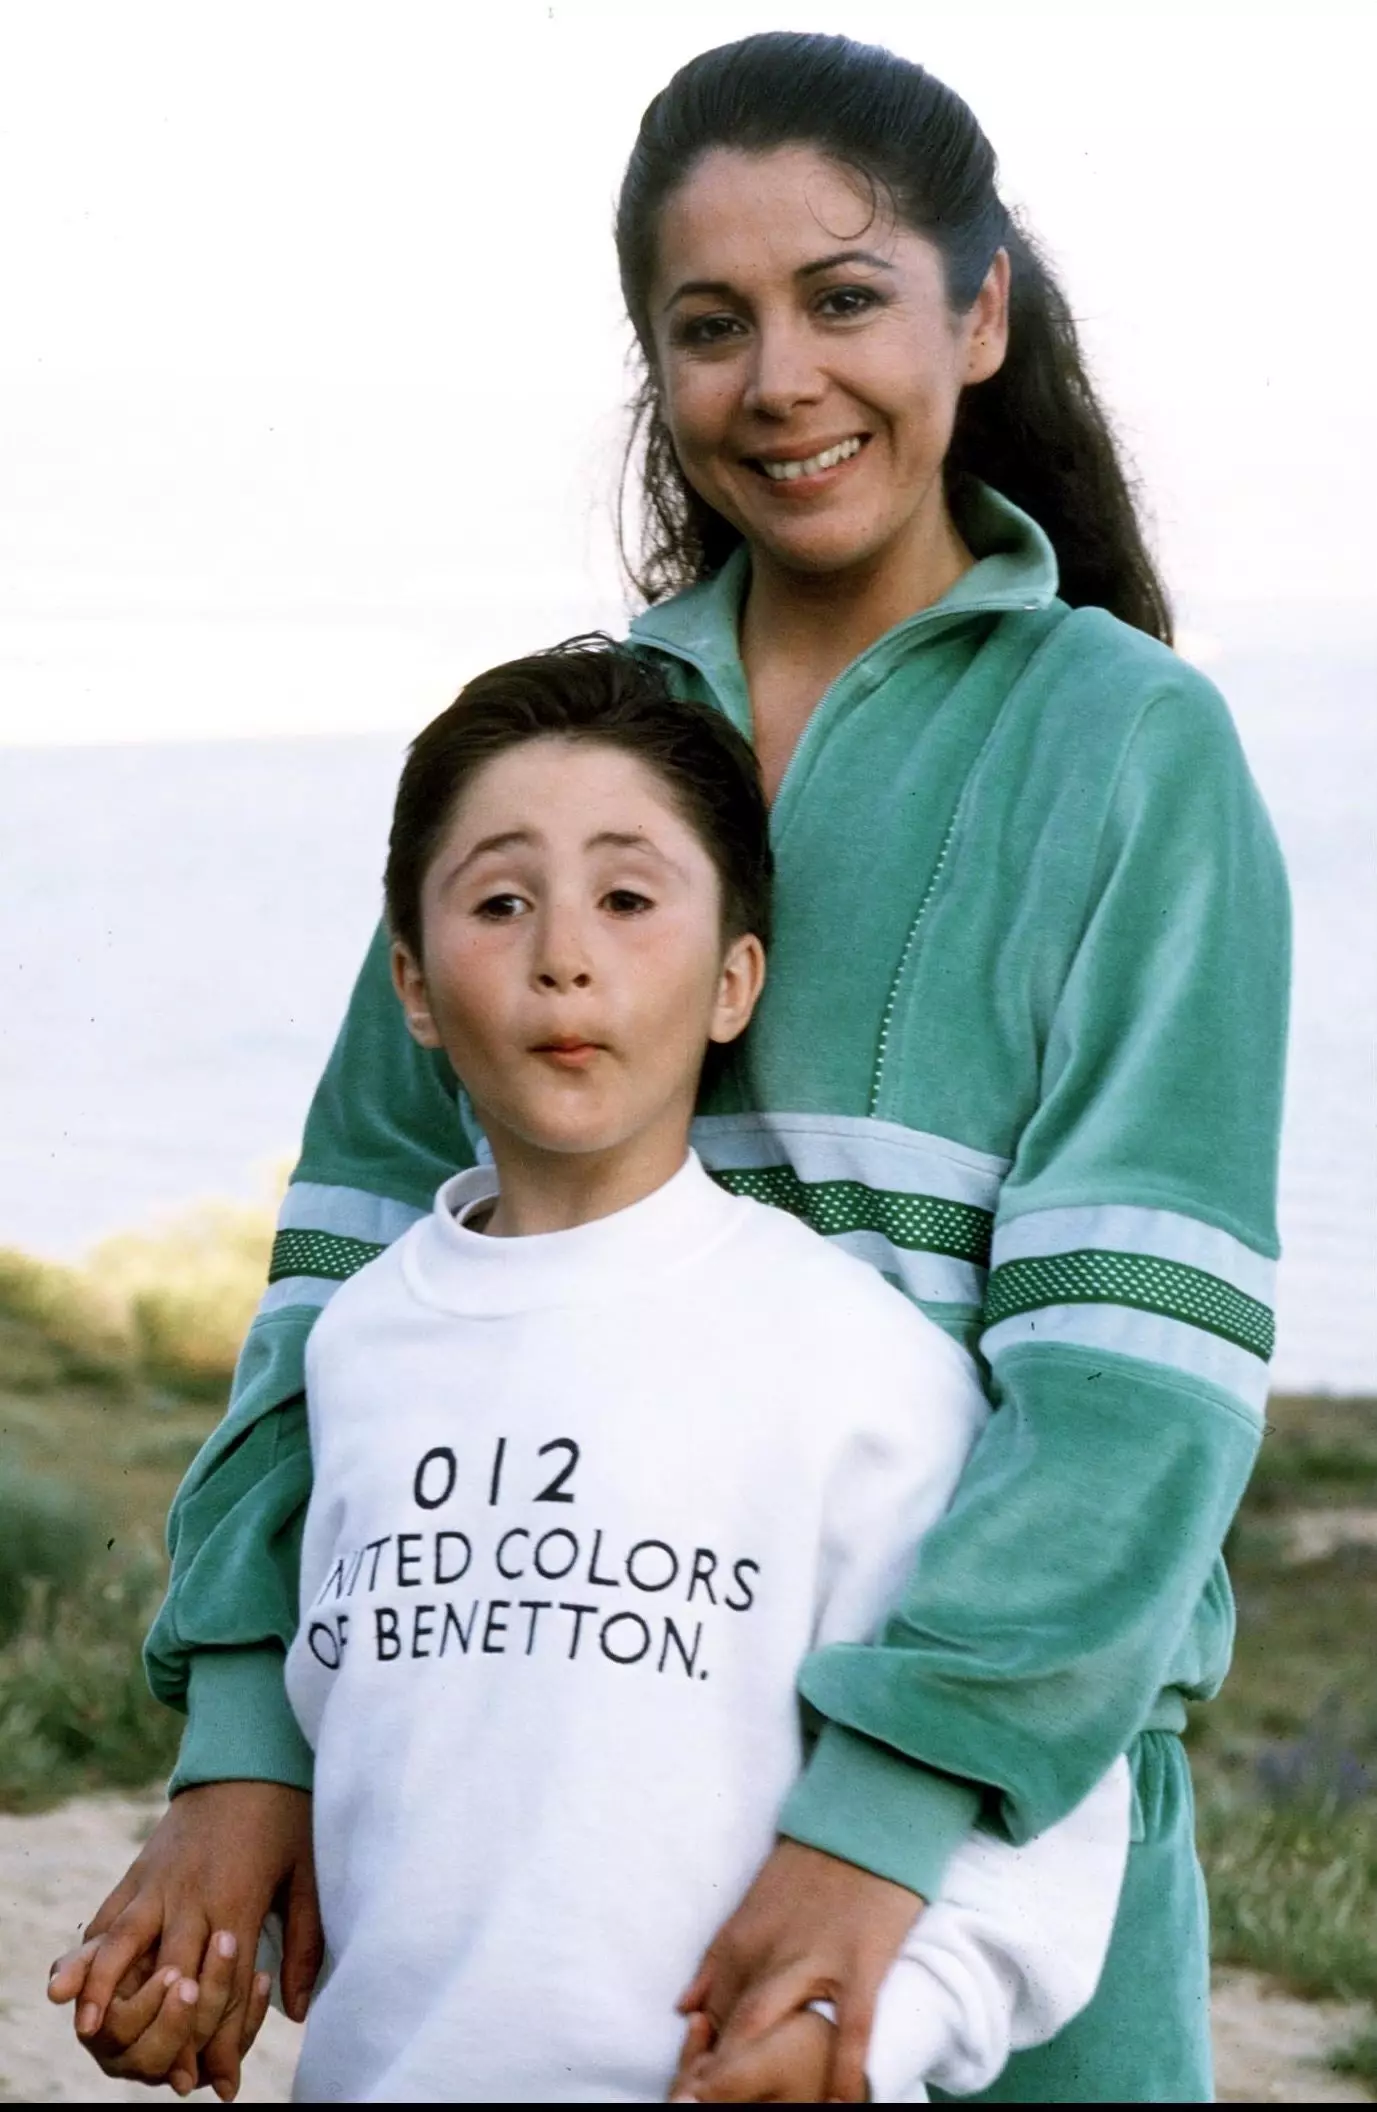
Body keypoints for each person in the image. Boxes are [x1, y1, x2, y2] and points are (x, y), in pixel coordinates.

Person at [51, 30, 1288, 2106]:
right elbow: (343, 1283)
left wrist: (875, 1820)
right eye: (707, 328)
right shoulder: (559, 760)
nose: (779, 381)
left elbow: (1134, 1389)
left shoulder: (1129, 749)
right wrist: (248, 1742)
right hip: (545, 1803)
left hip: (974, 1840)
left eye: (844, 297)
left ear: (976, 312)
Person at [294, 638, 1129, 2101]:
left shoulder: (848, 1359)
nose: (567, 951)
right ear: (415, 988)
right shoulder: (361, 1343)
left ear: (736, 977)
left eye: (629, 898)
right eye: (502, 902)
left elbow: (1048, 1827)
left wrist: (852, 2041)